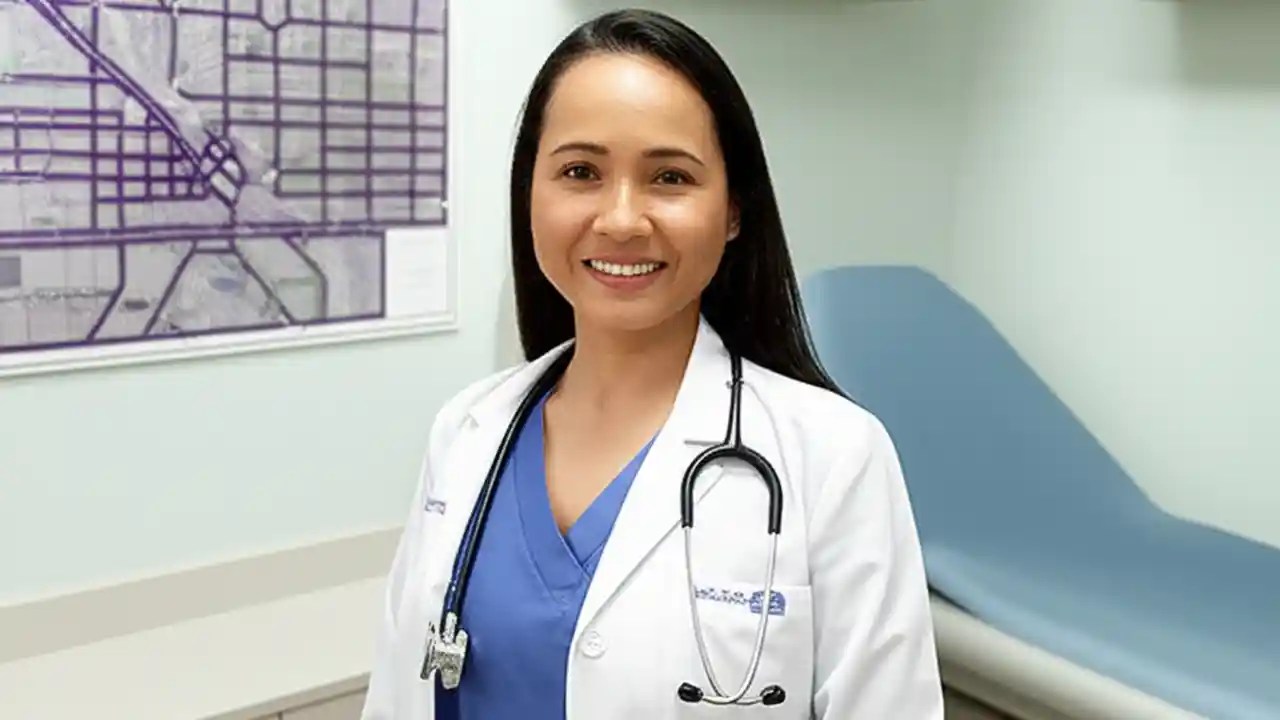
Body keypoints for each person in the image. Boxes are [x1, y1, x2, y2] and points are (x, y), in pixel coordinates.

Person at [361, 8, 943, 719]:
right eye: (580, 171)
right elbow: (396, 694)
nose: (622, 219)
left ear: (733, 211)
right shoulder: (467, 432)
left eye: (669, 177)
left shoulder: (835, 457)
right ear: (530, 195)